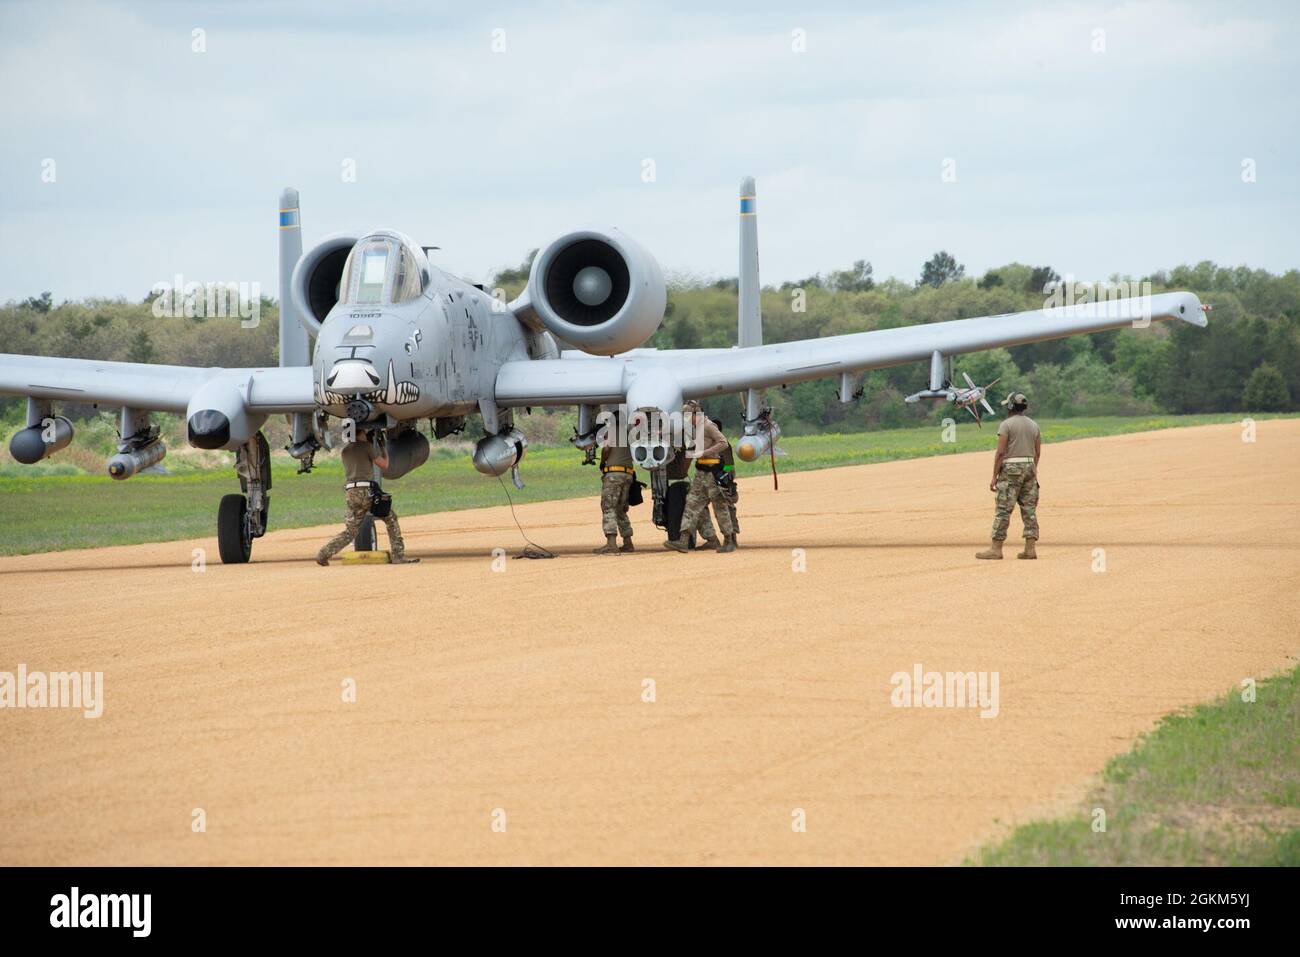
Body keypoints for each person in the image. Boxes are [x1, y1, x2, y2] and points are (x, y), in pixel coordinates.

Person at [317, 430, 418, 565]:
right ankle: (398, 555)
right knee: (390, 519)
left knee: (350, 531)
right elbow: (385, 465)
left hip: (351, 492)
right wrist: (383, 448)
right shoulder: (367, 447)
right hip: (366, 491)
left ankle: (323, 554)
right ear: (361, 432)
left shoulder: (345, 450)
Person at [665, 401, 738, 554]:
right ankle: (683, 541)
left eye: (687, 415)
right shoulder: (694, 428)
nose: (686, 418)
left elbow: (723, 443)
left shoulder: (708, 426)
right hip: (701, 471)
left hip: (713, 471)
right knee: (691, 504)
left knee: (720, 507)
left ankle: (729, 540)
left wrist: (705, 453)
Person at [976, 391, 1040, 560]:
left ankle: (996, 549)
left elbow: (1001, 452)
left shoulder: (1006, 425)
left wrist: (994, 476)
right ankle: (1030, 548)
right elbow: (1038, 452)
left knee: (1003, 509)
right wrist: (1032, 469)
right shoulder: (1034, 425)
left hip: (1011, 469)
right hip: (1030, 467)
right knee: (1029, 510)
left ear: (1011, 406)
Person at [594, 436, 637, 555]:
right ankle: (628, 542)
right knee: (620, 510)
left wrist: (602, 462)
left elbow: (607, 448)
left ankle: (611, 544)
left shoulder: (614, 429)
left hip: (614, 475)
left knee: (608, 507)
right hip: (628, 474)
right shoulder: (631, 432)